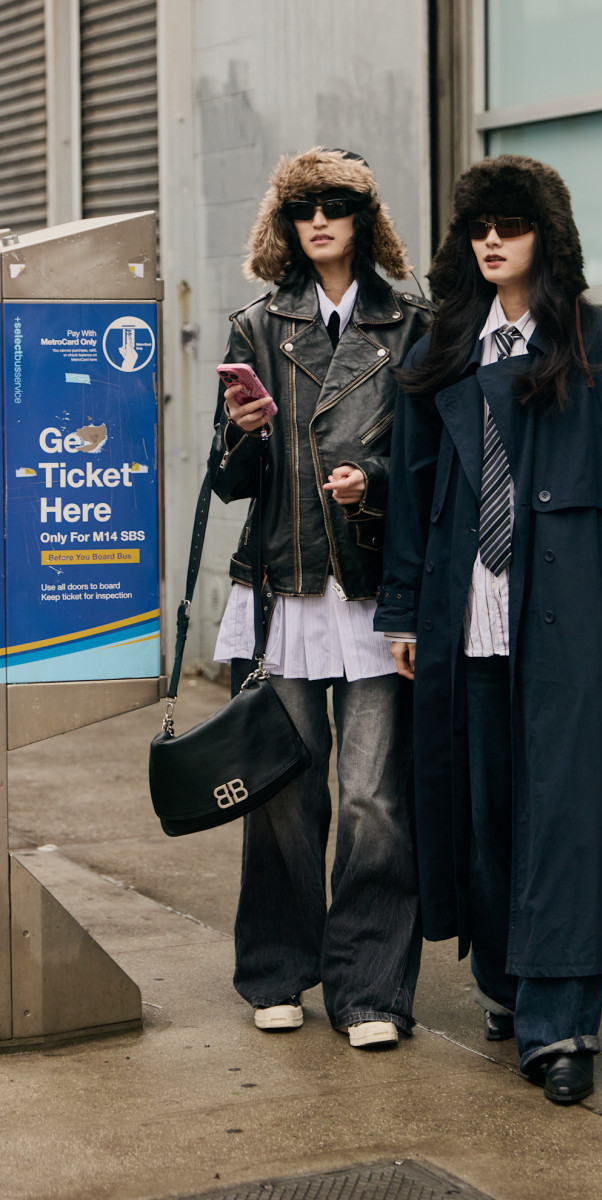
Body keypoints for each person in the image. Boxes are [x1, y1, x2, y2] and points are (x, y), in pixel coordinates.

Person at [374, 155, 602, 1100]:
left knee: (563, 820)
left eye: (511, 225)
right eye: (479, 228)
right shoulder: (441, 353)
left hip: (570, 624)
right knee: (484, 816)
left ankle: (562, 1029)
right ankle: (506, 987)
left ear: (546, 235)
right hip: (465, 619)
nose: (494, 241)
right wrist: (401, 610)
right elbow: (414, 493)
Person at [208, 147, 429, 1049]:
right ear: (288, 224)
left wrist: (368, 481)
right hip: (283, 587)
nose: (322, 219)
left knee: (376, 799)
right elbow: (231, 485)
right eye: (306, 206)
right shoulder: (257, 326)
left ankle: (370, 988)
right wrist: (242, 431)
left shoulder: (412, 325)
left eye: (340, 204)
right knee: (283, 792)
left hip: (373, 588)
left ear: (365, 219)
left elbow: (425, 460)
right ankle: (277, 968)